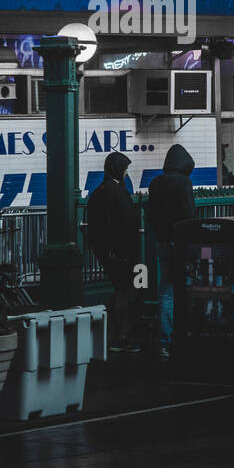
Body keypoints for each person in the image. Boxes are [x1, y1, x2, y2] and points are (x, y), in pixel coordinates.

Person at [85, 152, 141, 354]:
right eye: (125, 169)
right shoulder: (117, 192)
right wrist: (128, 252)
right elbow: (127, 223)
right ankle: (122, 336)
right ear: (119, 169)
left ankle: (111, 334)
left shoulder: (99, 191)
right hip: (121, 252)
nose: (126, 173)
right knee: (127, 290)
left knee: (119, 289)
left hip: (106, 251)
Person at [146, 143, 195, 359]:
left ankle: (165, 341)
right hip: (181, 243)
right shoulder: (184, 182)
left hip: (162, 241)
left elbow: (150, 215)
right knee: (187, 287)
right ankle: (185, 335)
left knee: (166, 291)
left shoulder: (155, 183)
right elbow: (189, 213)